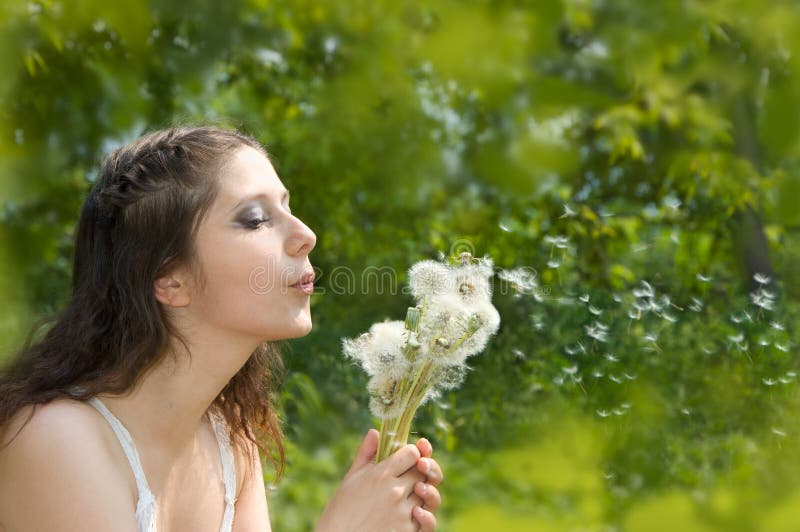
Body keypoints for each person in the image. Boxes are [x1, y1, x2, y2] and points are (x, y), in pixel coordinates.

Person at [0, 126, 443, 531]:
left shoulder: (229, 441)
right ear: (170, 280)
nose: (306, 234)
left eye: (288, 208)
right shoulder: (55, 441)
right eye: (255, 219)